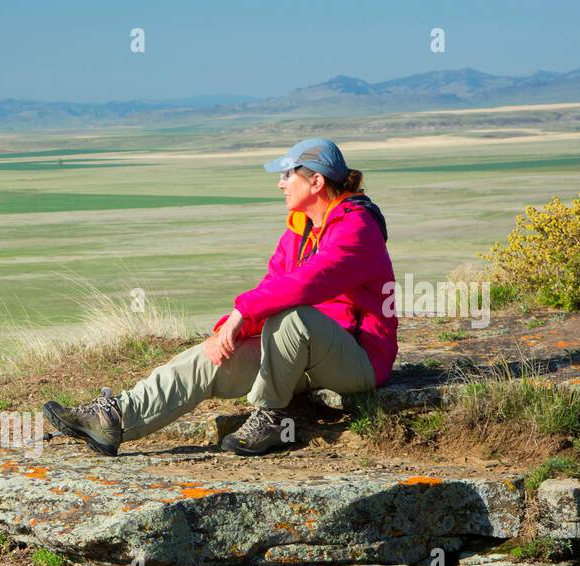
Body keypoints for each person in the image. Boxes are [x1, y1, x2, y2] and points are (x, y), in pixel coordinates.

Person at [42, 138, 397, 457]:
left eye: (288, 175)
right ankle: (115, 418)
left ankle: (272, 416)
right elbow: (271, 285)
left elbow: (307, 283)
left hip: (356, 360)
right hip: (297, 355)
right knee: (207, 358)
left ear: (316, 181)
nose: (280, 183)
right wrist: (229, 330)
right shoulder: (299, 229)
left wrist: (241, 313)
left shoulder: (357, 228)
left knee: (292, 317)